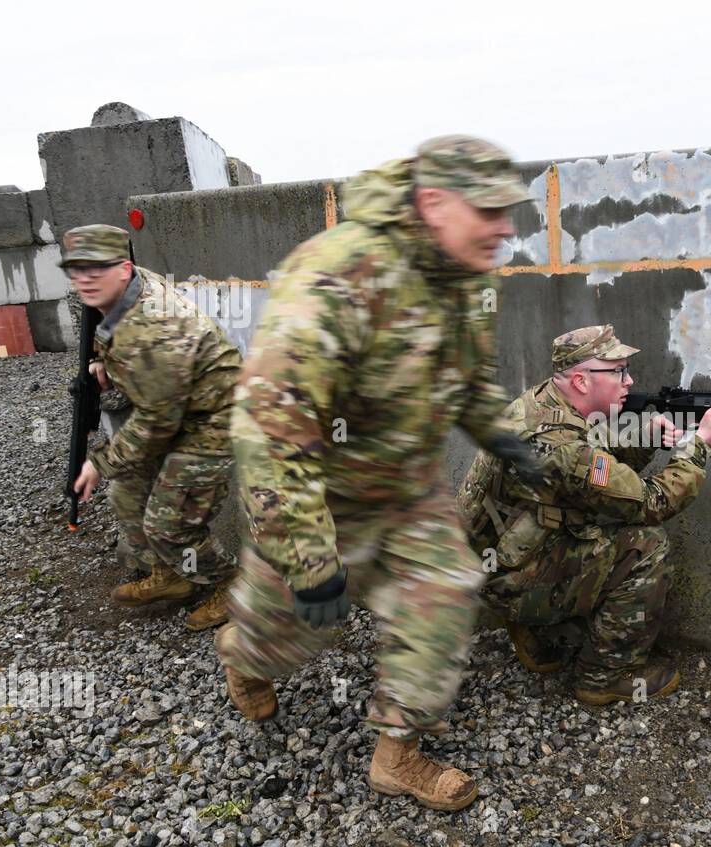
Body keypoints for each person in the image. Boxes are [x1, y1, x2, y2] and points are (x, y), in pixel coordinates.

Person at [214, 136, 542, 812]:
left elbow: (465, 378)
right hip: (320, 500)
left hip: (408, 493)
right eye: (489, 211)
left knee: (448, 591)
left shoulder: (467, 276)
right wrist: (307, 559)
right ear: (433, 203)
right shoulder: (338, 274)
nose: (506, 228)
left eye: (509, 211)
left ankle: (398, 755)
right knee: (291, 634)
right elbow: (271, 428)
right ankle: (243, 658)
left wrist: (499, 432)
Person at [459, 324, 711, 705]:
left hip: (498, 560)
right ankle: (603, 676)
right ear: (581, 381)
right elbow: (652, 503)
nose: (630, 380)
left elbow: (591, 456)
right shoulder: (560, 447)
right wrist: (701, 446)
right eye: (619, 371)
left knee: (586, 524)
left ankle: (538, 635)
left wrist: (644, 435)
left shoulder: (542, 403)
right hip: (510, 579)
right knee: (645, 547)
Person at [65, 224, 240, 631]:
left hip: (212, 420)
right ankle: (174, 577)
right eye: (77, 270)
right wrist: (98, 358)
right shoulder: (124, 285)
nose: (85, 281)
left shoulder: (153, 328)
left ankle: (232, 583)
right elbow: (101, 323)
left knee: (169, 525)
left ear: (123, 269)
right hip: (174, 405)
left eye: (96, 270)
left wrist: (100, 462)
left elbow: (157, 422)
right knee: (127, 496)